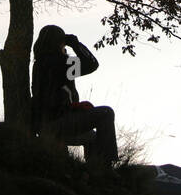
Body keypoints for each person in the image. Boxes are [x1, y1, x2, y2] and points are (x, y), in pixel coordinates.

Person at [30, 24, 118, 166]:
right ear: (59, 43)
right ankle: (105, 165)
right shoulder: (59, 62)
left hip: (47, 125)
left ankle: (96, 168)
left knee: (93, 137)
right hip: (58, 124)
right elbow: (92, 64)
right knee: (106, 113)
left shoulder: (40, 64)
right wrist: (75, 44)